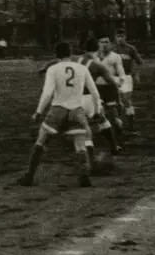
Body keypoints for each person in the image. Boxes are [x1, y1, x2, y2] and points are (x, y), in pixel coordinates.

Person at [18, 42, 101, 188]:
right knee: (80, 145)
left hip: (58, 108)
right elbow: (94, 92)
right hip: (77, 109)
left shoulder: (53, 69)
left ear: (56, 55)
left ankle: (29, 176)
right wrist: (97, 111)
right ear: (71, 54)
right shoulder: (82, 68)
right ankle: (84, 176)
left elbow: (48, 93)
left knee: (41, 141)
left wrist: (38, 111)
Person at [78, 37, 123, 158]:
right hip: (88, 98)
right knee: (102, 121)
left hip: (73, 98)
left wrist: (44, 68)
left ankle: (87, 154)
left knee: (82, 125)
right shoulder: (97, 66)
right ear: (97, 50)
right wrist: (119, 98)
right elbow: (112, 83)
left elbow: (55, 62)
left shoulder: (74, 60)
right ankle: (113, 147)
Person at [95, 35, 128, 141]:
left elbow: (121, 72)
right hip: (96, 88)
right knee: (99, 111)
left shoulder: (115, 57)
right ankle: (104, 130)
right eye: (101, 42)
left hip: (110, 88)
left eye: (106, 42)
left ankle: (117, 126)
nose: (104, 44)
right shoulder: (93, 57)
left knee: (112, 112)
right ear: (98, 44)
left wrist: (120, 82)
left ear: (110, 44)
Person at [112, 29, 143, 132]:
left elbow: (139, 62)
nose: (119, 39)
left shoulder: (130, 49)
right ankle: (118, 124)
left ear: (125, 37)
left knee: (126, 100)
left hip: (127, 77)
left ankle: (131, 124)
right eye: (118, 36)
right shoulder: (112, 49)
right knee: (116, 101)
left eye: (121, 36)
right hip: (115, 77)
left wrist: (136, 74)